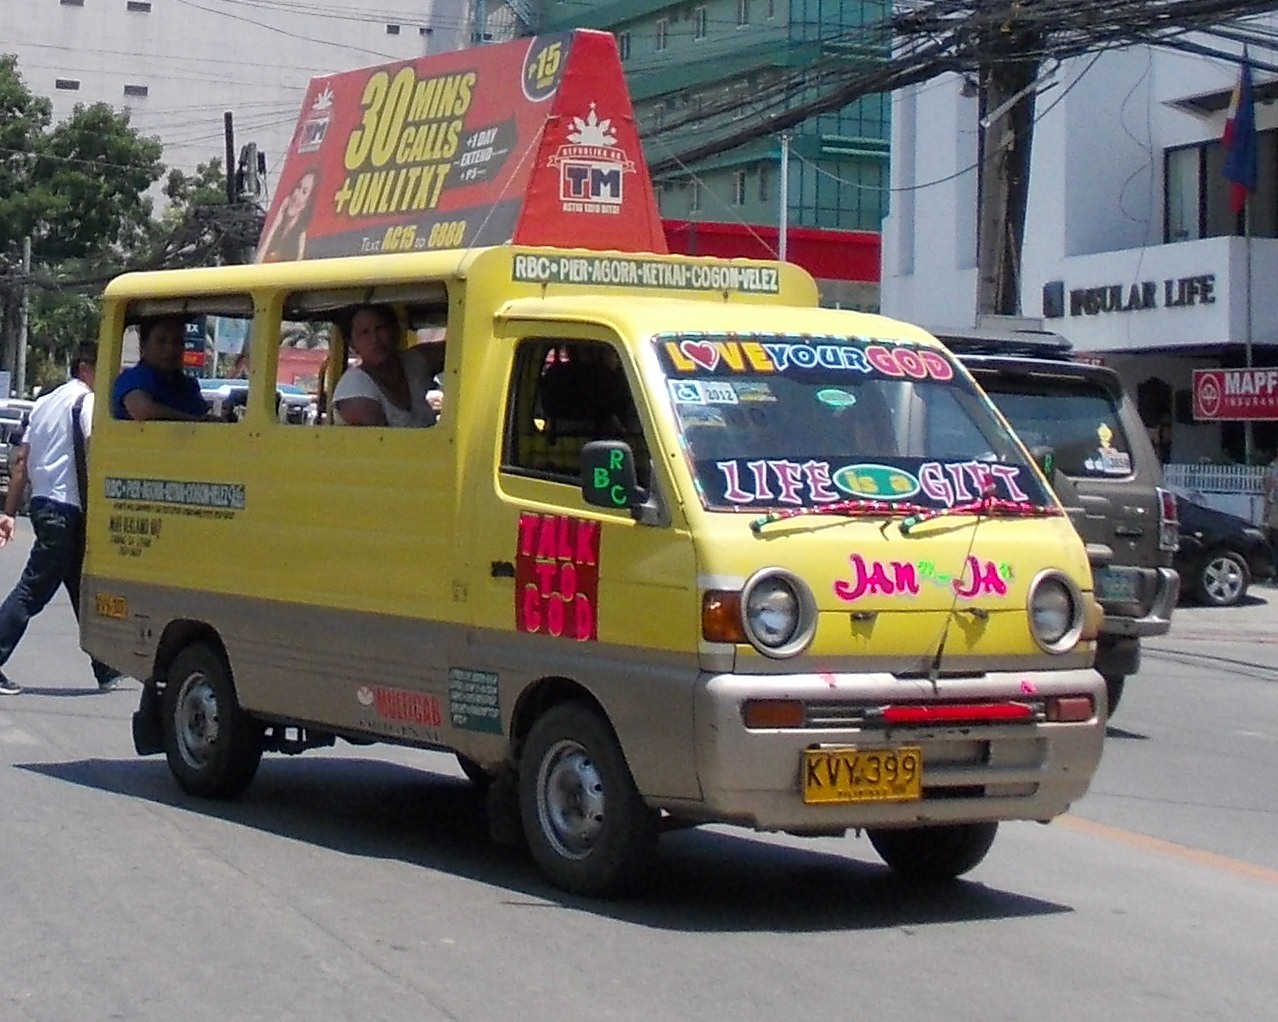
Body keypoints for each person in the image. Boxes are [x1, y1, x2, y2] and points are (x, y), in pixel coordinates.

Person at [0, 344, 124, 695]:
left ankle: (106, 666)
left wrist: (9, 512)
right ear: (86, 368)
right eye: (105, 368)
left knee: (81, 588)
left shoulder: (43, 404)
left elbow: (21, 462)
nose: (110, 377)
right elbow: (96, 450)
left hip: (42, 505)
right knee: (33, 589)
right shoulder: (86, 403)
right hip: (67, 509)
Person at [331, 305, 444, 427]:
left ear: (395, 331)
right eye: (364, 333)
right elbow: (382, 443)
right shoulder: (355, 392)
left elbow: (460, 349)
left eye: (380, 329)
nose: (375, 339)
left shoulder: (415, 360)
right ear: (352, 343)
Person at [112, 316, 210, 421]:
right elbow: (143, 411)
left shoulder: (188, 385)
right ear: (143, 345)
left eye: (177, 341)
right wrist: (194, 421)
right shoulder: (131, 378)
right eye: (161, 341)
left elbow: (203, 414)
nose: (171, 349)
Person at [257, 167, 319, 263]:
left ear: (307, 203)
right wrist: (277, 220)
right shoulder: (278, 230)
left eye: (304, 192)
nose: (296, 195)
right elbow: (257, 265)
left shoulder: (300, 237)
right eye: (298, 187)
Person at [1263, 450, 1278, 579]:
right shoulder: (1273, 467)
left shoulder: (1273, 468)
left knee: (1273, 540)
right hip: (1274, 507)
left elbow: (1268, 487)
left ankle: (1274, 572)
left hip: (1275, 508)